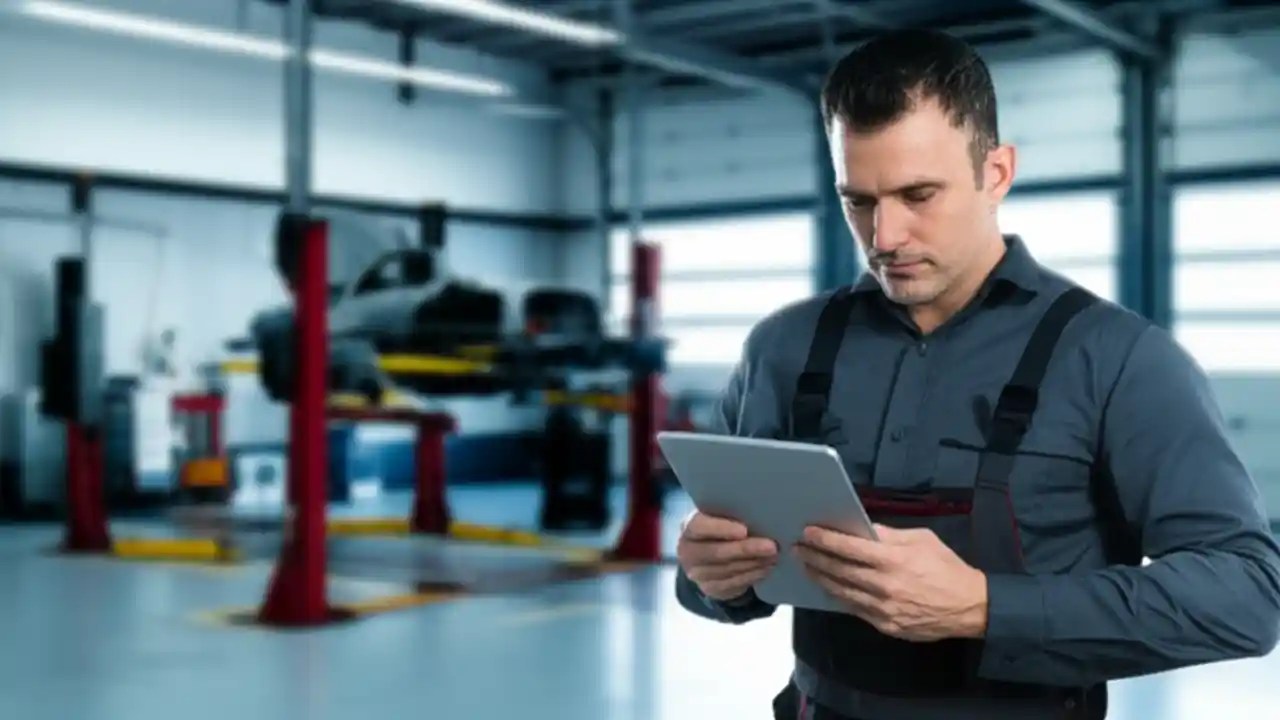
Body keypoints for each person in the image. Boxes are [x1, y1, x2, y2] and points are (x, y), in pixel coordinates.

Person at [673, 28, 1280, 720]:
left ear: (996, 174)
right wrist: (711, 577)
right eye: (859, 202)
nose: (885, 237)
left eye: (918, 194)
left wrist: (986, 607)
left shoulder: (1120, 360)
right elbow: (709, 584)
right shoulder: (783, 347)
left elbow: (1248, 596)